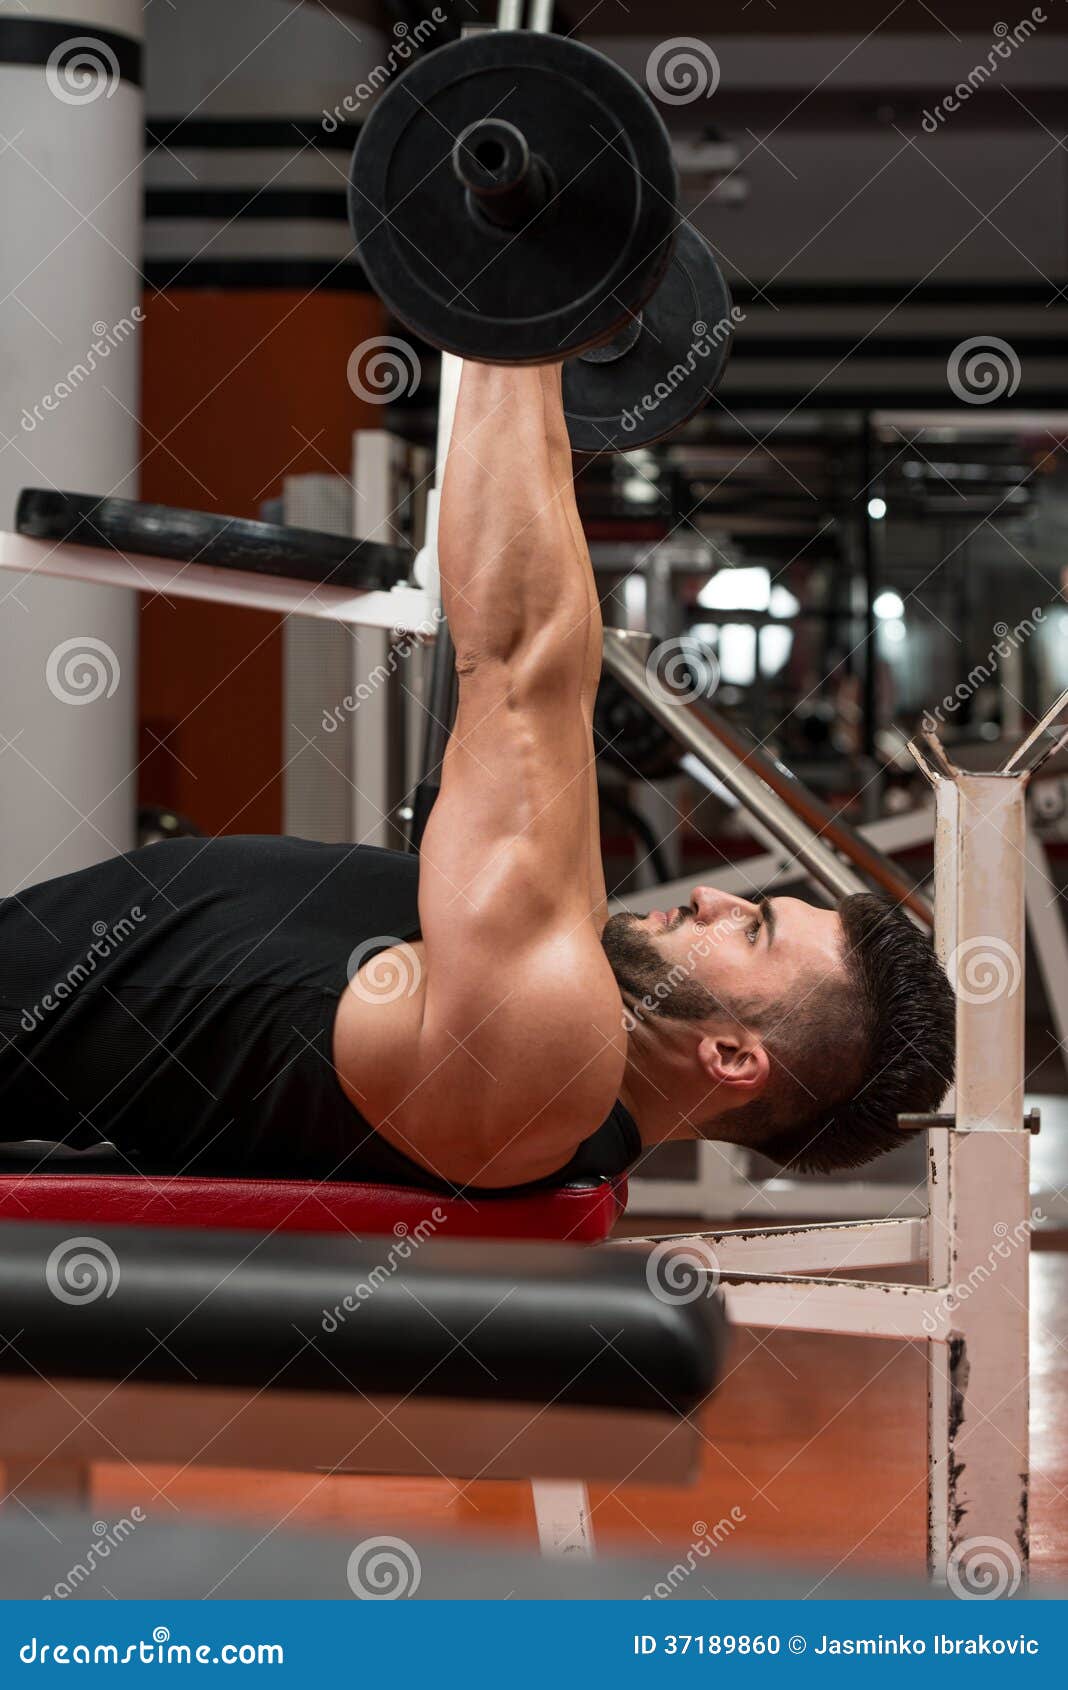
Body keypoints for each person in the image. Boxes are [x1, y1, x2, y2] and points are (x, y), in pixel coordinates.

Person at [0, 364, 954, 1192]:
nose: (715, 896)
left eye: (753, 928)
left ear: (734, 1057)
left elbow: (521, 660)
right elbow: (557, 673)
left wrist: (510, 317)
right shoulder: (573, 999)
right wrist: (541, 349)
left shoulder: (546, 1065)